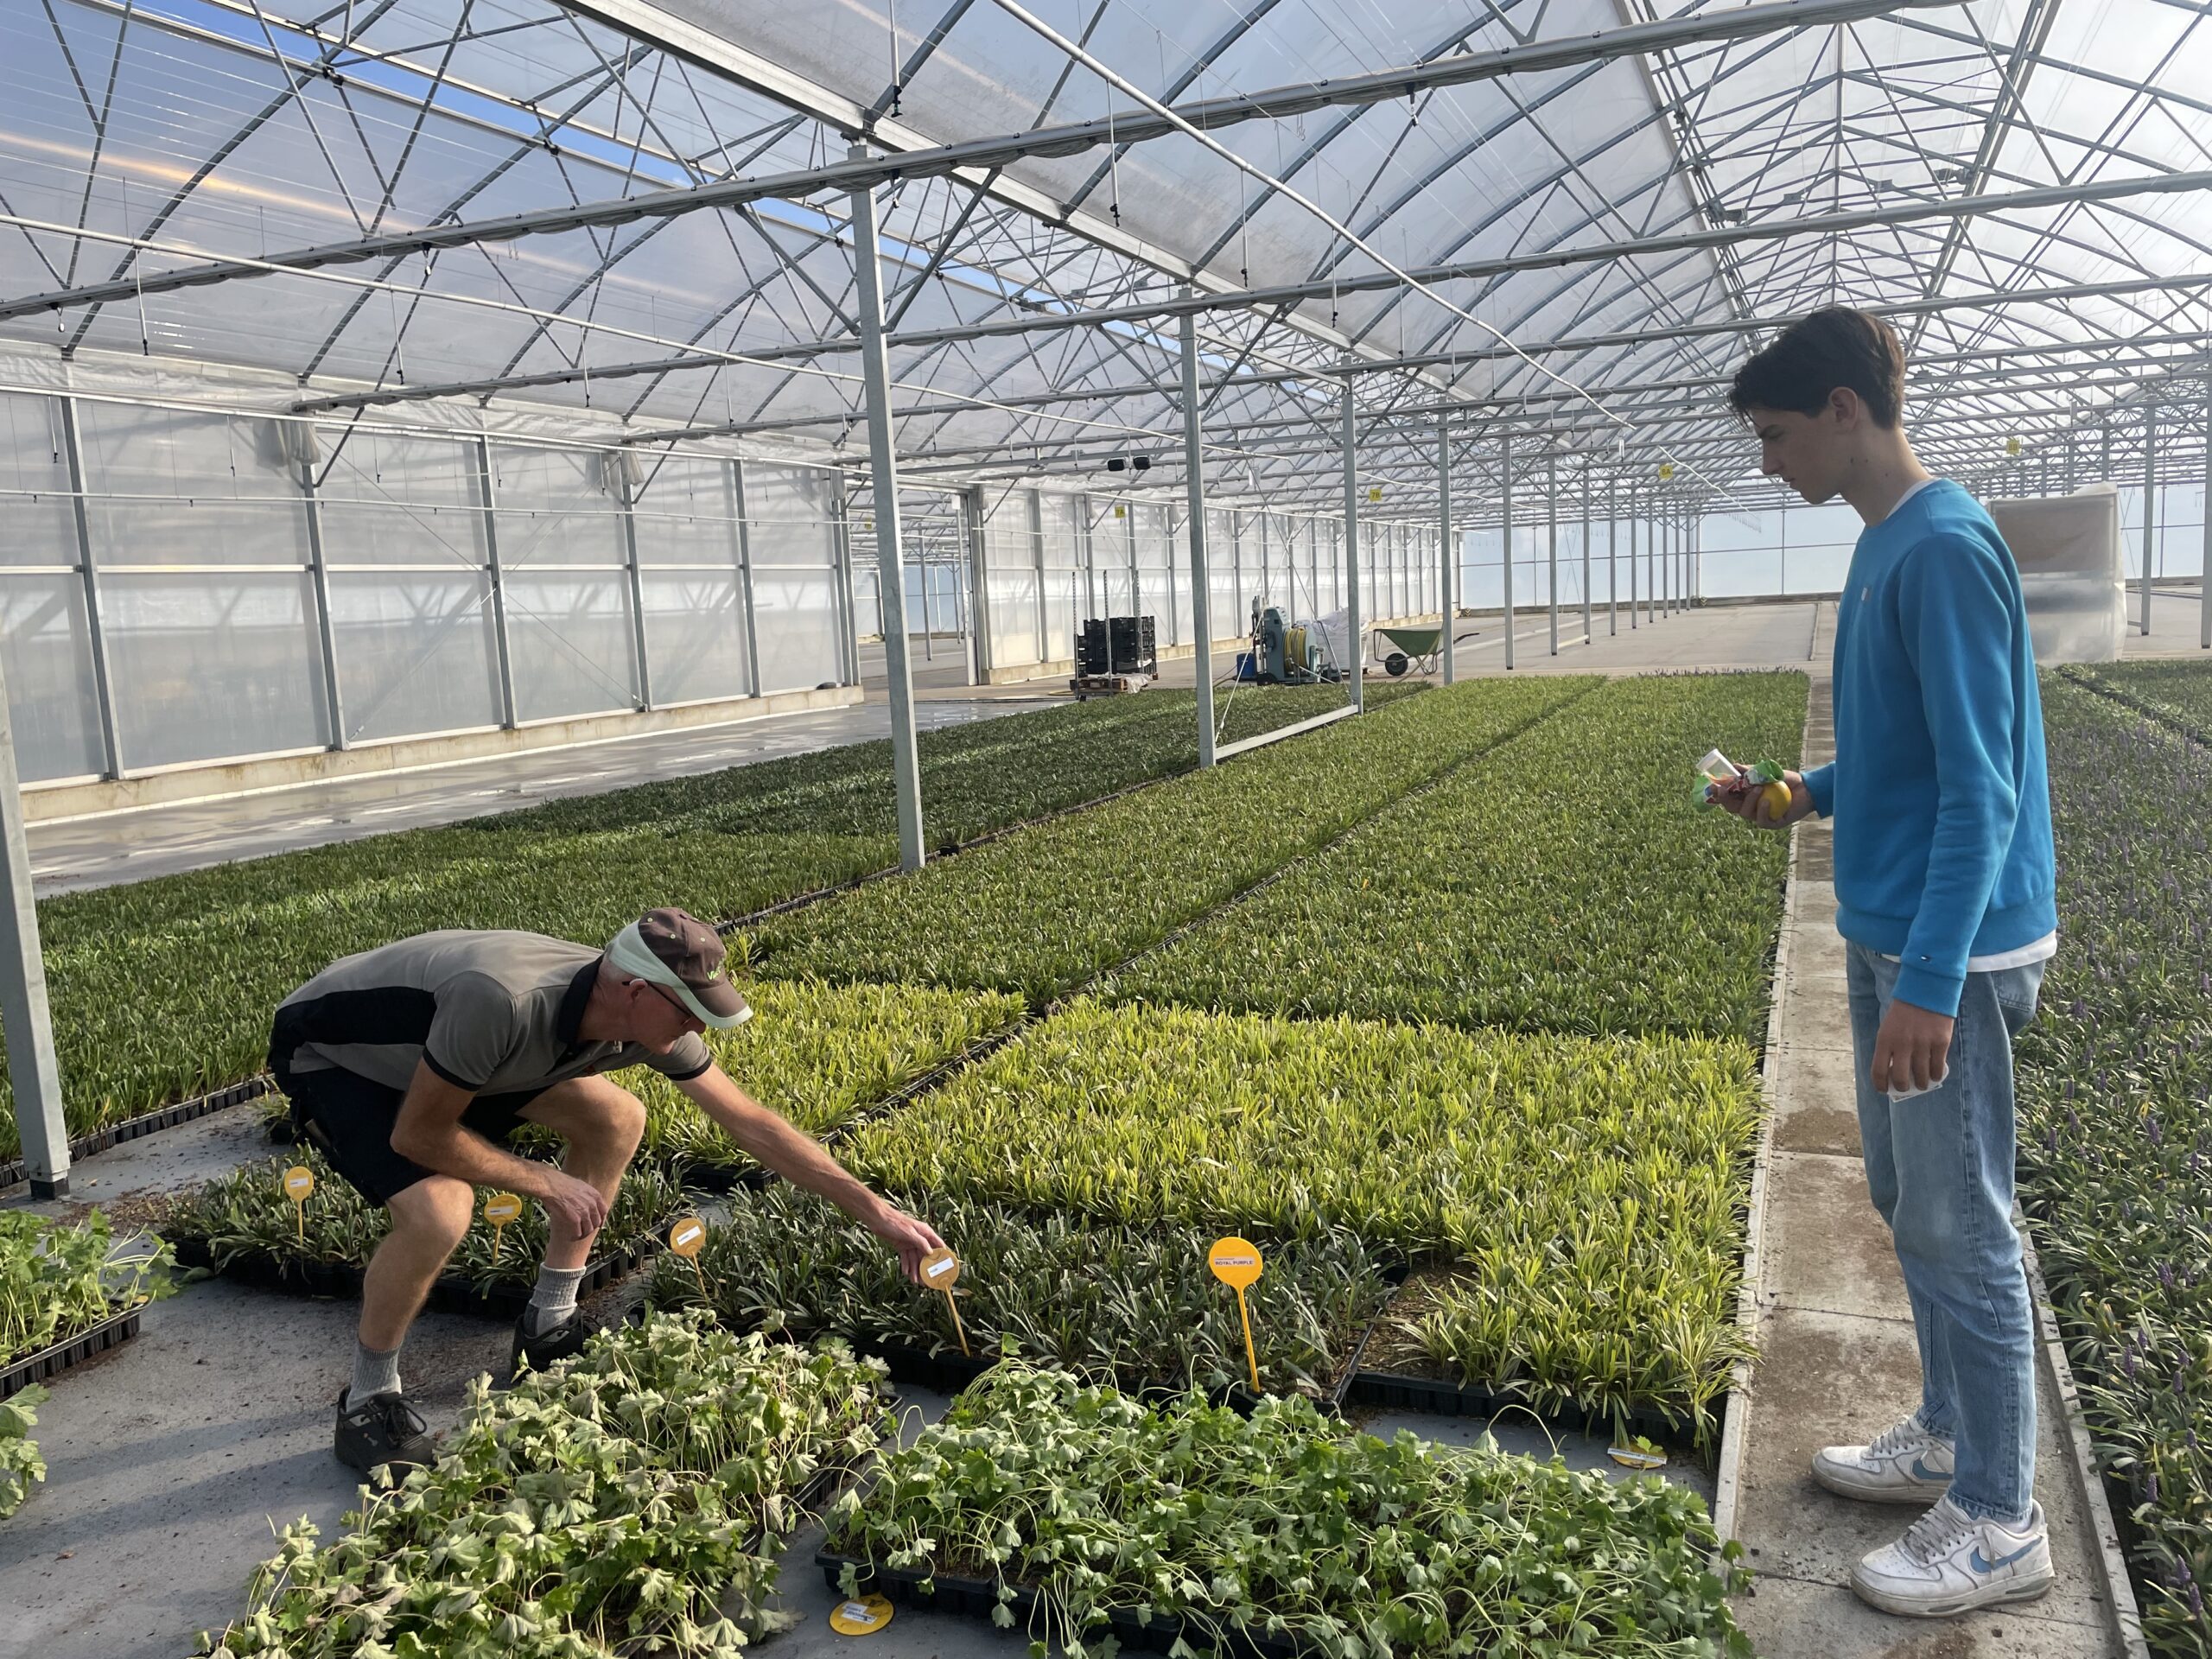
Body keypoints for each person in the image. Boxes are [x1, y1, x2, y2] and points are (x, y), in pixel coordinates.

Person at [1715, 307, 2058, 1619]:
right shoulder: (1884, 548)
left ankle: (2001, 1519)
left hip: (1948, 954)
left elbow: (1983, 793)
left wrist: (1929, 979)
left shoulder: (1946, 549)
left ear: (1846, 410)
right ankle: (1951, 1437)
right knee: (1914, 1208)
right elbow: (1910, 760)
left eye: (1778, 435)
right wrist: (1803, 792)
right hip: (1896, 929)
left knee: (1964, 1222)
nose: (1768, 463)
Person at [269, 906, 944, 1474]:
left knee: (619, 1117)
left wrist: (879, 1214)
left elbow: (751, 1124)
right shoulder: (503, 1002)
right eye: (687, 1011)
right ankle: (367, 1398)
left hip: (462, 1057)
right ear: (632, 989)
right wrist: (544, 1181)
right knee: (441, 1209)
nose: (697, 1028)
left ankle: (548, 1322)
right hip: (341, 1059)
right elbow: (420, 1136)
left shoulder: (636, 1020)